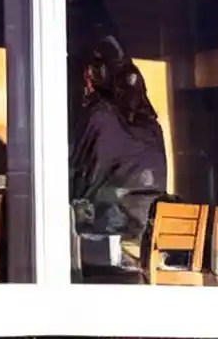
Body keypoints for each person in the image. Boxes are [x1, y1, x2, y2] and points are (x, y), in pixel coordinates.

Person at [69, 35, 168, 275]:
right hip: (151, 231)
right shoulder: (152, 125)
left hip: (112, 230)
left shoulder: (101, 116)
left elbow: (80, 172)